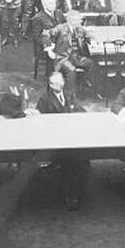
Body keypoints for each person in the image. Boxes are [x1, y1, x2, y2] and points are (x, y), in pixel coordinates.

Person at [35, 72, 89, 210]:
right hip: (55, 142)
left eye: (62, 82)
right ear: (51, 85)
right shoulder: (44, 99)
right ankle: (71, 196)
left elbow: (81, 111)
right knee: (72, 163)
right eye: (58, 83)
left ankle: (77, 192)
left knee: (82, 161)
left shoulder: (69, 95)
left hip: (72, 138)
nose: (62, 84)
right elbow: (39, 122)